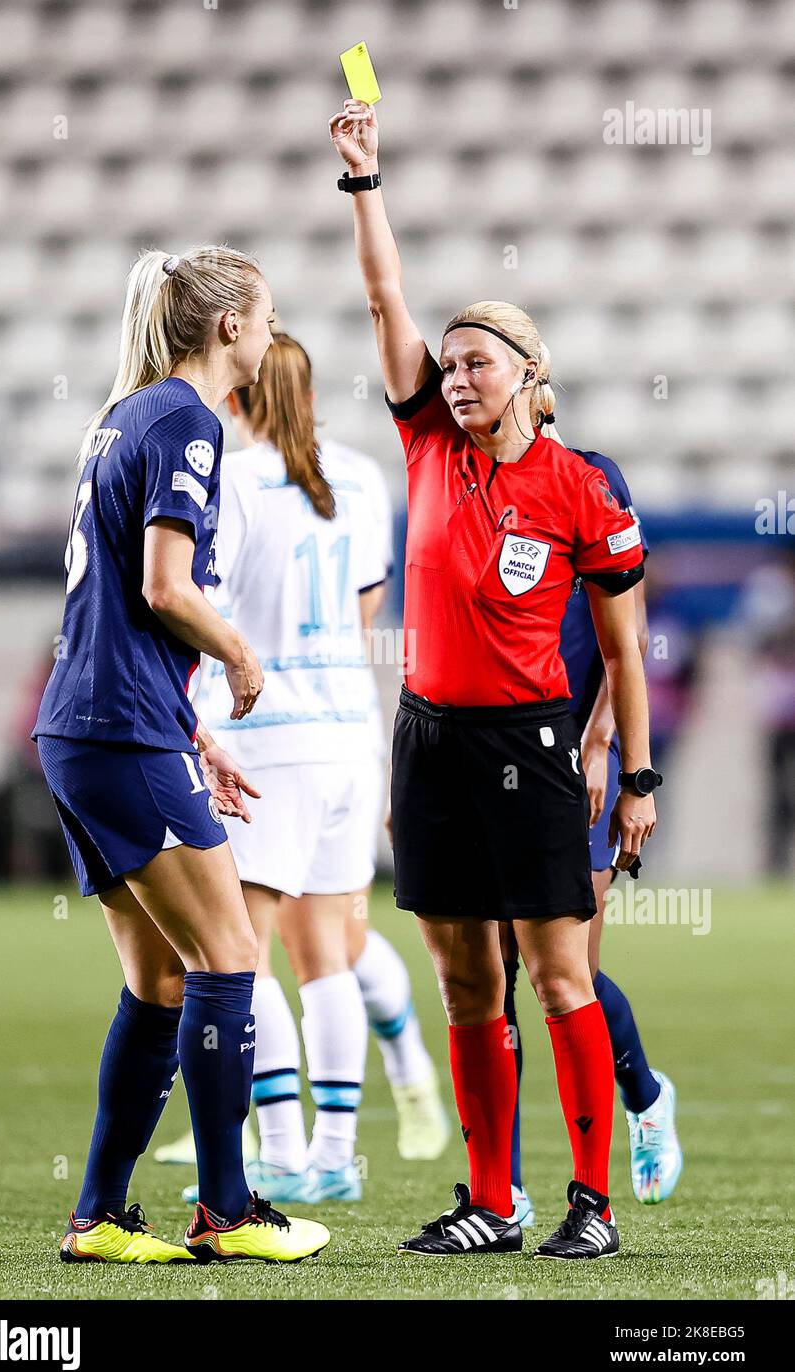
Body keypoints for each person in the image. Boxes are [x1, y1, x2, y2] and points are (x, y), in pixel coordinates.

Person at [329, 100, 660, 1260]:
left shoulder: (579, 489)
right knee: (464, 976)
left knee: (559, 973)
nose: (455, 377)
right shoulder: (426, 442)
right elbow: (383, 299)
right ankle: (491, 1199)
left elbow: (620, 652)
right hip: (426, 739)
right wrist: (365, 184)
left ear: (531, 377)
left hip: (531, 743)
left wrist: (632, 773)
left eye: (478, 364)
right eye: (449, 363)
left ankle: (592, 1203)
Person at [32, 246, 329, 1264]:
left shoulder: (123, 416)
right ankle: (228, 1208)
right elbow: (164, 586)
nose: (273, 331)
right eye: (266, 314)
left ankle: (100, 1217)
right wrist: (239, 654)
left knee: (161, 981)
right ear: (227, 329)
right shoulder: (187, 420)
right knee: (229, 955)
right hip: (118, 729)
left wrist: (192, 728)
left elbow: (112, 601)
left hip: (86, 726)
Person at [160, 332, 445, 1207]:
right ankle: (336, 1154)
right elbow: (368, 615)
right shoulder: (361, 476)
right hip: (349, 737)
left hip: (264, 742)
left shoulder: (231, 480)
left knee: (235, 957)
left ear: (239, 396)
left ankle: (279, 1146)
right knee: (328, 957)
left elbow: (189, 602)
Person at [503, 455, 682, 1227]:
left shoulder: (590, 478)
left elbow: (627, 632)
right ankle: (500, 1188)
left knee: (566, 972)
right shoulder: (465, 482)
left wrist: (607, 741)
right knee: (490, 975)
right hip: (488, 755)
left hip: (575, 759)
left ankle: (643, 1094)